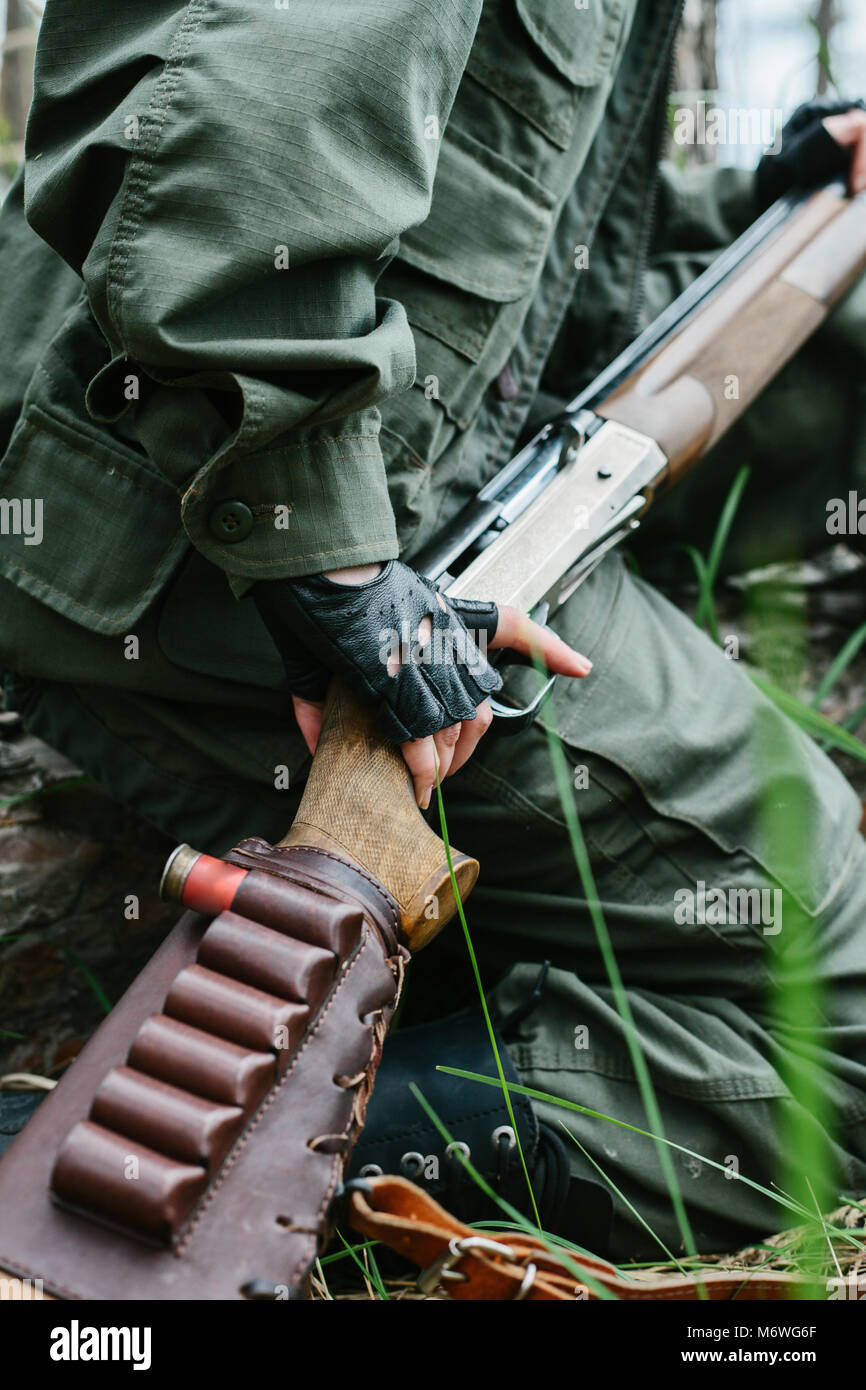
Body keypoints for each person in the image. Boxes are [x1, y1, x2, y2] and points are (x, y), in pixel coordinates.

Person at [2, 0, 866, 1262]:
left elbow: (495, 231)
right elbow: (240, 110)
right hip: (245, 524)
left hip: (308, 496)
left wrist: (759, 211)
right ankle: (101, 1190)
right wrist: (325, 552)